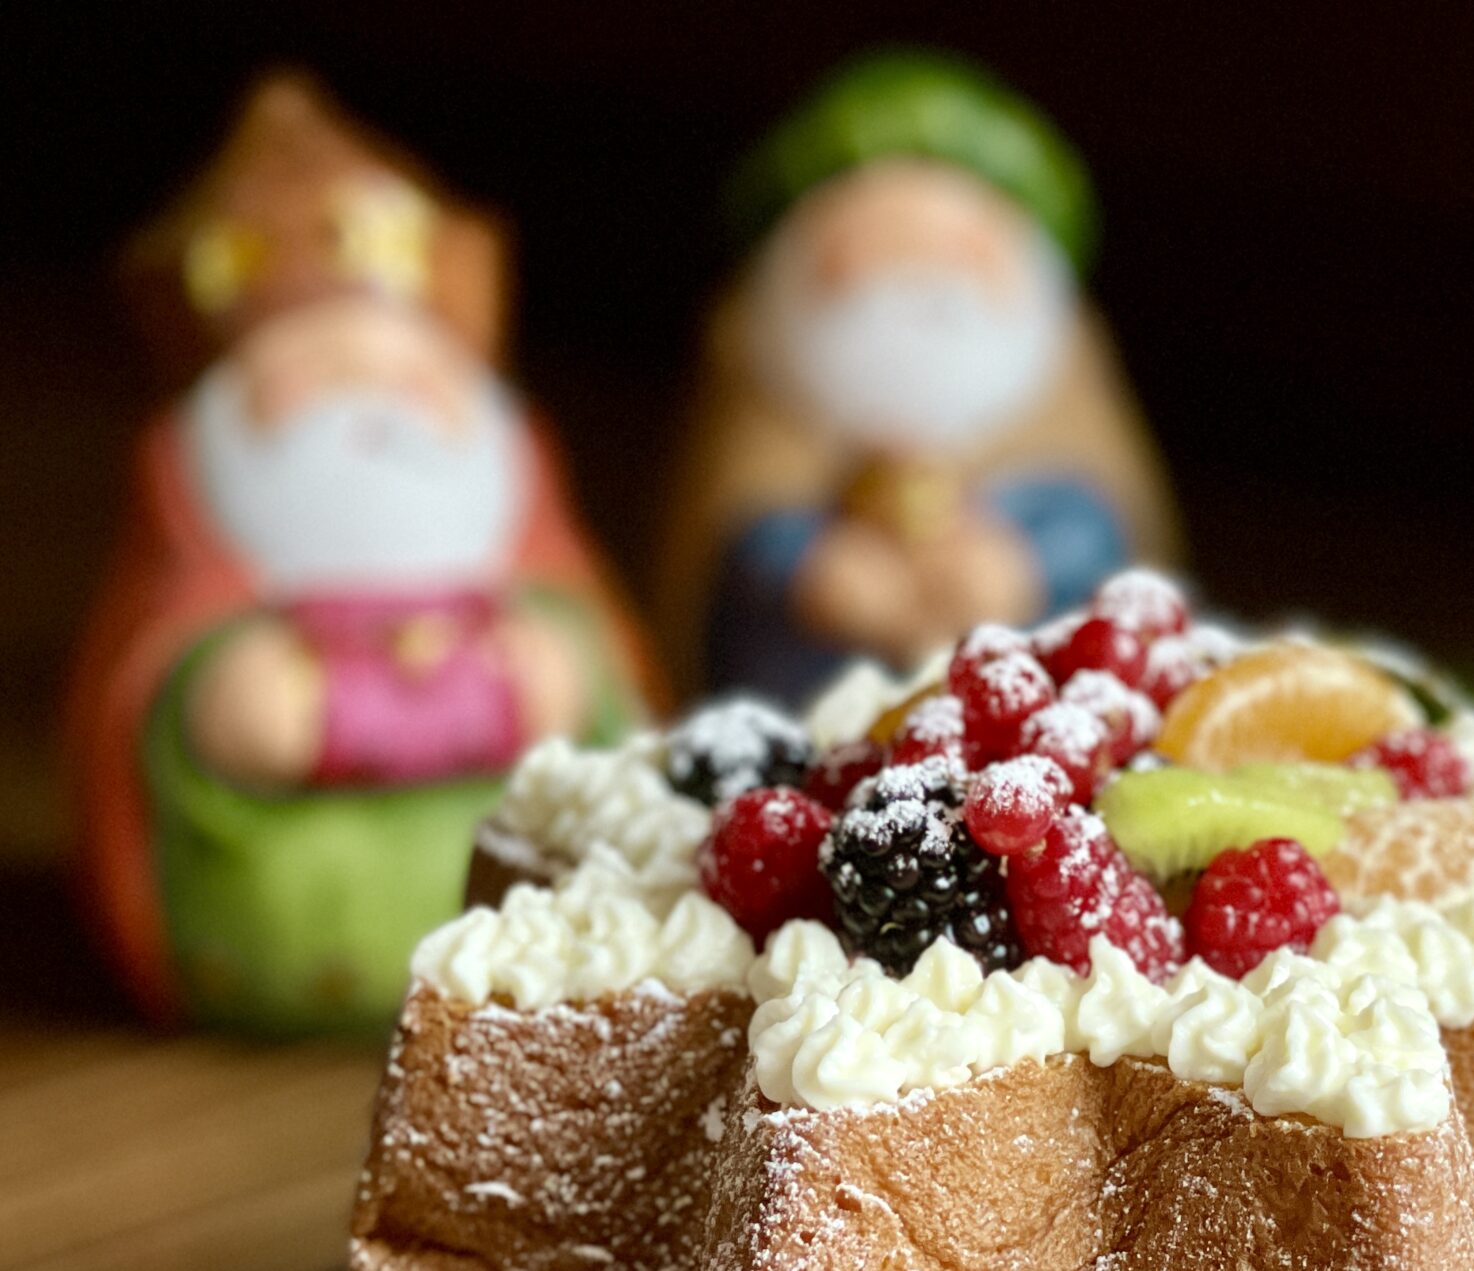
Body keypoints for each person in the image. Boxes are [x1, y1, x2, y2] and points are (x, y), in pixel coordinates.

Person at [65, 74, 657, 1031]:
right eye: (315, 375)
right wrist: (225, 701)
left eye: (408, 377)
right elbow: (150, 677)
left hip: (532, 990)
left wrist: (548, 672)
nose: (370, 407)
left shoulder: (515, 543)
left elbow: (600, 676)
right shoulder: (197, 521)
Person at [658, 51, 1177, 704]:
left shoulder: (1061, 422)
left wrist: (1024, 563)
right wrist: (815, 576)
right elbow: (739, 548)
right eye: (871, 250)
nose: (916, 280)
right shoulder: (763, 413)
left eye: (960, 251)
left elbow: (1099, 532)